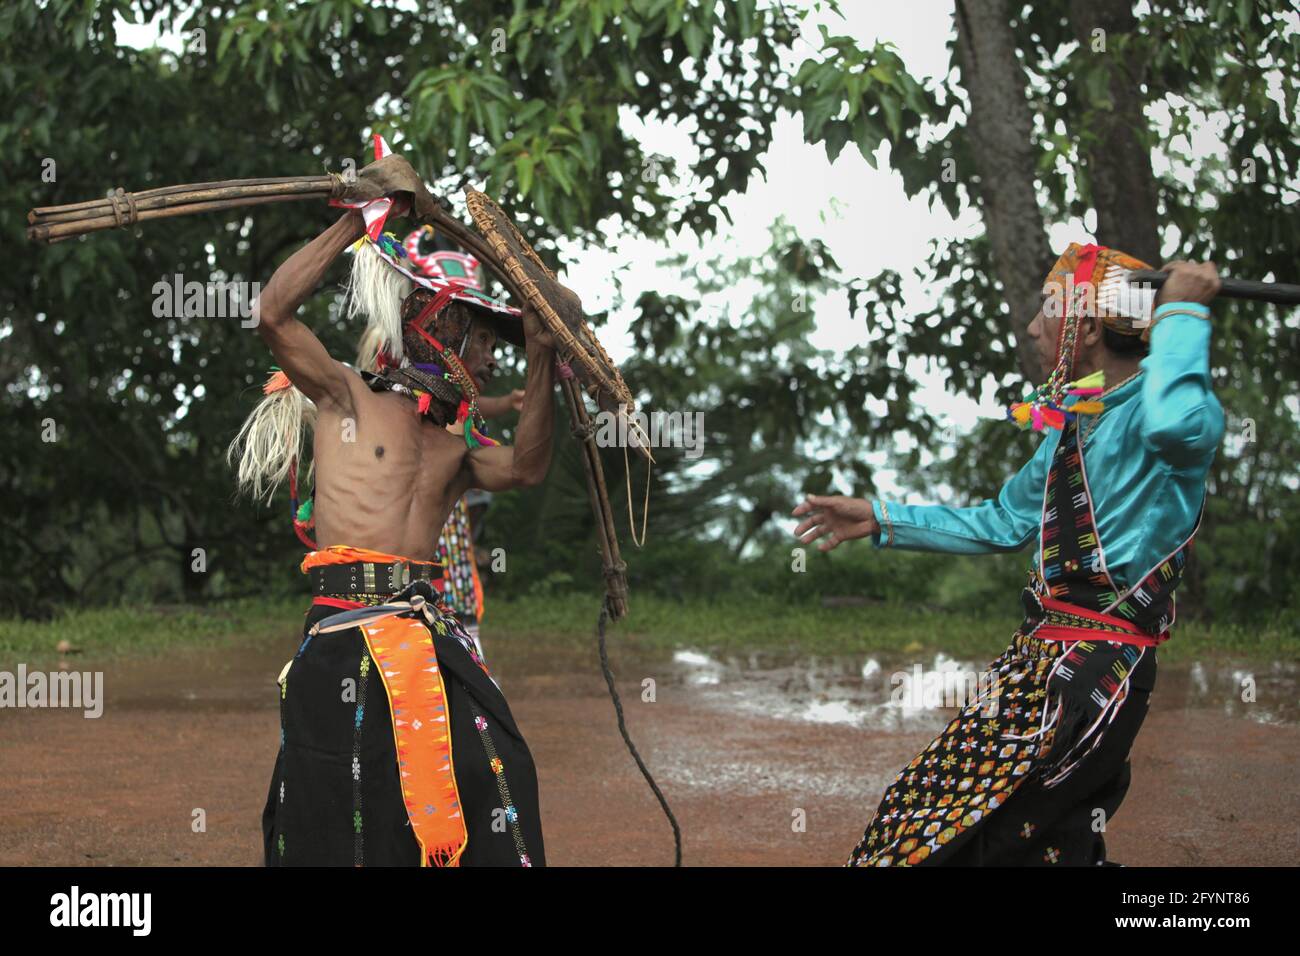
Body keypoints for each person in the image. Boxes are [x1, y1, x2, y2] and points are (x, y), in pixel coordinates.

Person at [793, 245, 1224, 866]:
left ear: (1091, 326)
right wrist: (881, 516)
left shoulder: (1180, 415)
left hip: (1094, 678)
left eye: (1047, 309)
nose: (1030, 327)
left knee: (979, 847)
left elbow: (1172, 426)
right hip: (1035, 665)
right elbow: (1002, 521)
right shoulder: (1078, 422)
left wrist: (1180, 315)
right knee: (918, 819)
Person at [231, 189, 556, 867]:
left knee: (501, 772)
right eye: (487, 340)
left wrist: (543, 352)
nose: (493, 360)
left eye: (501, 344)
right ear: (436, 323)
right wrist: (361, 217)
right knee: (342, 802)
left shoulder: (458, 450)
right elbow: (271, 312)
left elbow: (527, 468)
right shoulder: (344, 395)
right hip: (342, 634)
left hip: (425, 635)